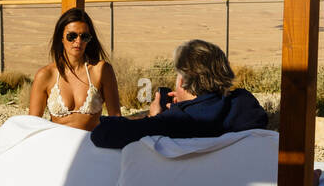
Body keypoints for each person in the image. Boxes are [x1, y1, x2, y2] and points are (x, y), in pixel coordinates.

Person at [91, 39, 269, 149]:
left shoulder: (173, 122)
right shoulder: (246, 105)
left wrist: (154, 118)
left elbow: (102, 134)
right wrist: (189, 104)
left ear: (182, 81)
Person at [28, 8, 120, 131]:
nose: (78, 41)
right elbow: (32, 124)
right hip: (58, 145)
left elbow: (116, 117)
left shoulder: (102, 70)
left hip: (91, 145)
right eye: (72, 36)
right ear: (61, 37)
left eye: (84, 36)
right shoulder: (46, 75)